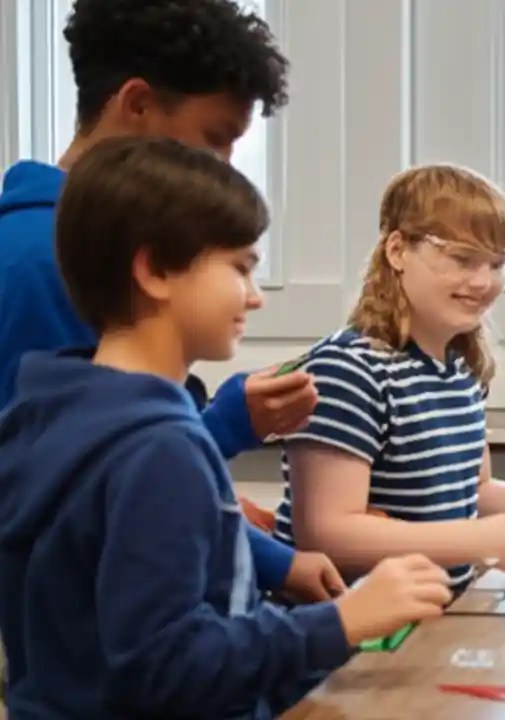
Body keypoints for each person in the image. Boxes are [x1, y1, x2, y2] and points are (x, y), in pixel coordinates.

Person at [0, 136, 455, 719]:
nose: (256, 296)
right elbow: (165, 667)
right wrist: (342, 622)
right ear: (156, 269)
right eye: (240, 267)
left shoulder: (45, 410)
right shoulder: (158, 446)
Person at [0, 0, 323, 602]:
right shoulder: (48, 262)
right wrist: (226, 430)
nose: (227, 168)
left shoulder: (54, 246)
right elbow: (81, 492)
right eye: (215, 139)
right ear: (138, 105)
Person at [276, 164, 505, 590]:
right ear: (398, 251)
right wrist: (480, 539)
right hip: (348, 634)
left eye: (497, 264)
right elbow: (327, 533)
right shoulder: (347, 370)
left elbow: (469, 492)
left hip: (431, 612)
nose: (483, 282)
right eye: (462, 258)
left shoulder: (462, 372)